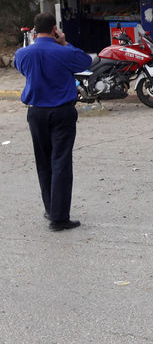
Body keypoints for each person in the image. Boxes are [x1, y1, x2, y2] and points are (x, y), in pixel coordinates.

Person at [13, 12, 93, 231]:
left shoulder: (23, 54)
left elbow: (19, 67)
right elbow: (86, 62)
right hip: (61, 112)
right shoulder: (63, 51)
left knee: (44, 162)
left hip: (36, 112)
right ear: (55, 29)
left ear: (34, 31)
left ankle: (50, 208)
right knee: (61, 162)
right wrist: (65, 42)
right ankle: (59, 217)